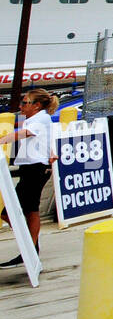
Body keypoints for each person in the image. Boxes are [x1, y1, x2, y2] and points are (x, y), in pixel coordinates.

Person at [1, 89, 55, 266]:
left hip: (35, 167)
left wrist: (2, 140)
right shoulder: (33, 119)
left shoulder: (40, 118)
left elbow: (21, 134)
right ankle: (31, 247)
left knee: (23, 210)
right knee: (25, 210)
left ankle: (30, 248)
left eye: (25, 103)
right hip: (31, 166)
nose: (22, 106)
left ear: (37, 105)